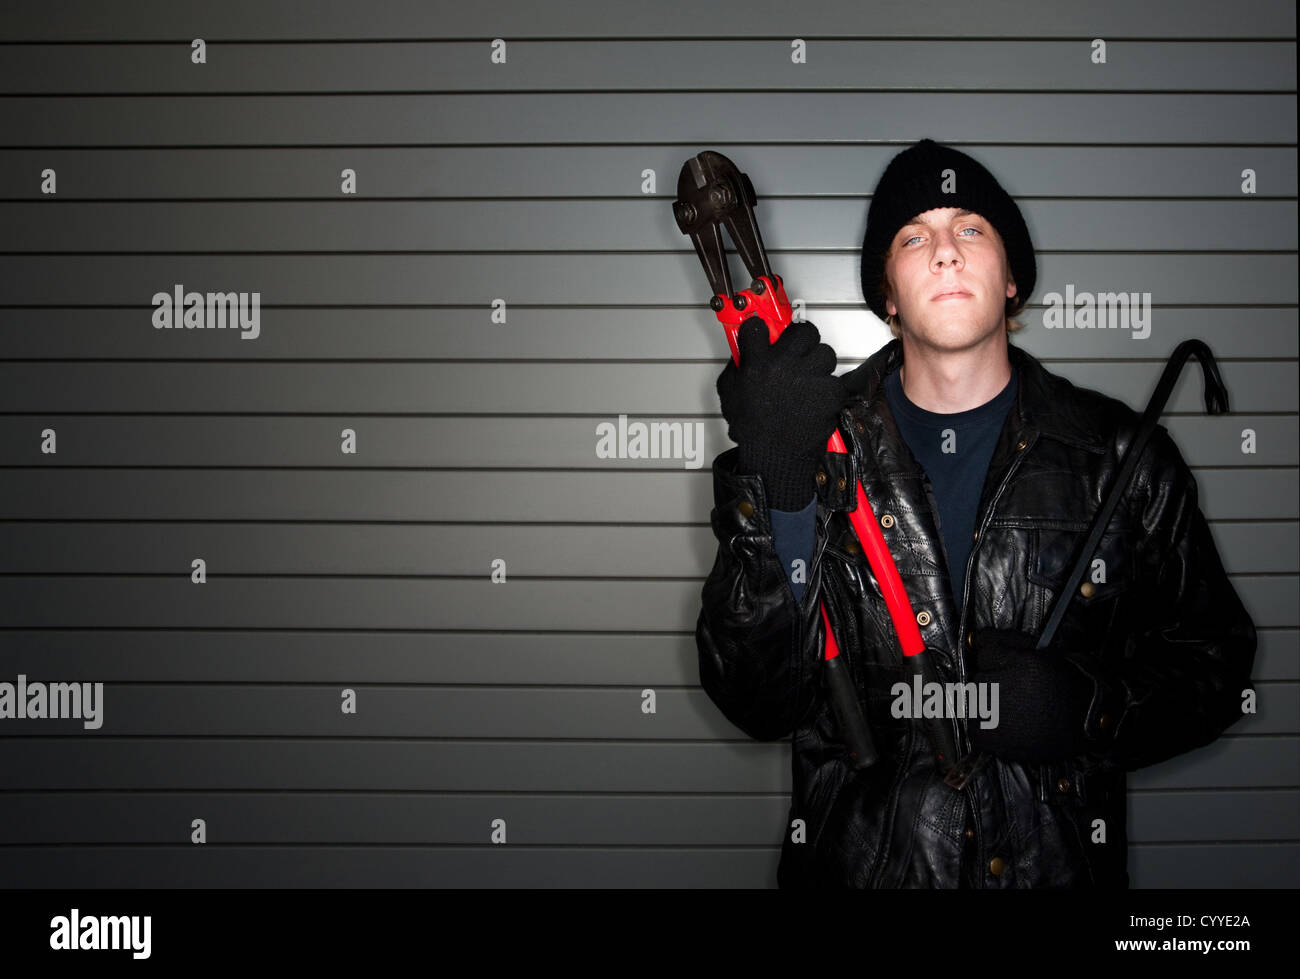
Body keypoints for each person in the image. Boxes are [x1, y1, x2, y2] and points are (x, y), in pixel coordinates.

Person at [695, 137, 1257, 888]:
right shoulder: (811, 443)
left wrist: (1088, 706)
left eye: (971, 229)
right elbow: (758, 701)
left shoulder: (1121, 457)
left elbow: (1216, 666)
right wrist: (781, 487)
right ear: (887, 293)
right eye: (914, 236)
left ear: (1012, 279)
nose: (946, 252)